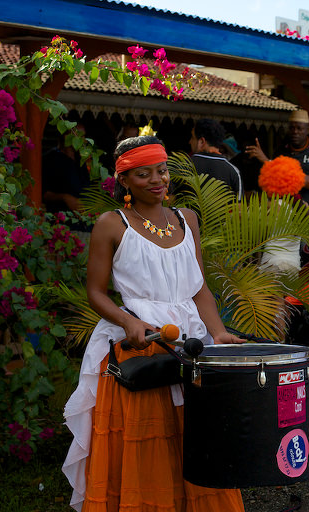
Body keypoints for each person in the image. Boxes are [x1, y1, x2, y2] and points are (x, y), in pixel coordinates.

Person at [61, 135, 245, 511]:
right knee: (150, 439)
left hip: (191, 341)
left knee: (196, 435)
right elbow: (95, 292)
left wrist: (218, 331)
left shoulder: (186, 219)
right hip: (139, 349)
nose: (157, 180)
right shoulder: (112, 224)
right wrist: (128, 320)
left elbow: (198, 287)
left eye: (161, 171)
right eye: (144, 174)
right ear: (124, 181)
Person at [188, 118, 243, 199]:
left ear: (202, 141)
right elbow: (239, 208)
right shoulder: (233, 171)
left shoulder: (184, 165)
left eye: (192, 137)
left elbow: (170, 200)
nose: (189, 142)